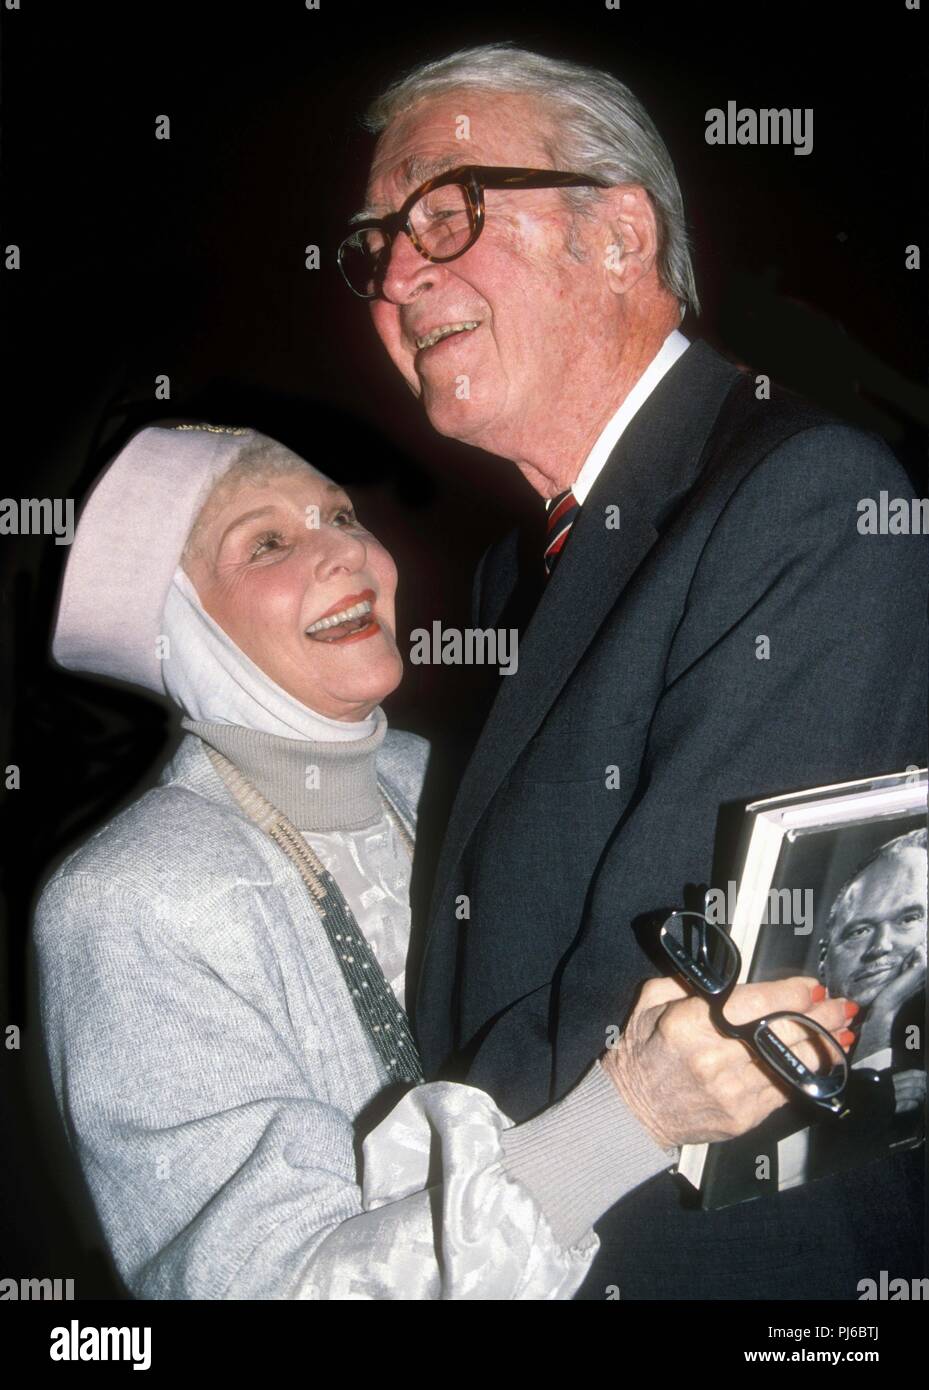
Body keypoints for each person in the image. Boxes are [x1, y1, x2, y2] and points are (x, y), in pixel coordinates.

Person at [341, 43, 929, 1297]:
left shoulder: (803, 503)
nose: (395, 272)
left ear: (615, 233)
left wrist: (434, 1243)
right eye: (375, 242)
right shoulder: (520, 571)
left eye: (443, 212)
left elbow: (686, 996)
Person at [31, 423, 849, 1301]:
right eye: (266, 541)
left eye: (340, 515)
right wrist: (626, 1122)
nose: (344, 551)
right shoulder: (127, 900)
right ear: (180, 622)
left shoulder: (443, 780)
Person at [777, 827, 928, 1189]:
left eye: (908, 918)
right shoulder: (777, 1057)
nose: (881, 945)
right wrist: (878, 1033)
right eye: (859, 930)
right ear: (825, 960)